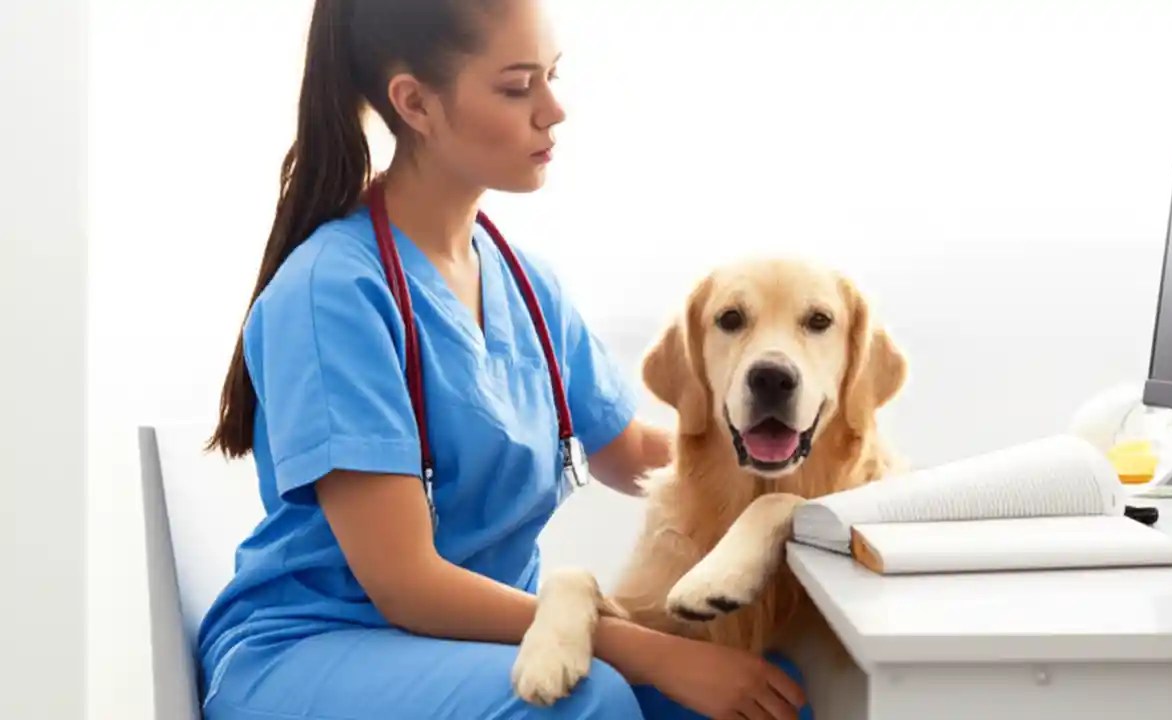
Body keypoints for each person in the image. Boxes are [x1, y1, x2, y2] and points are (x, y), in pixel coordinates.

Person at [198, 0, 812, 718]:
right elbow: (408, 585)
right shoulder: (332, 292)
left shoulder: (525, 283)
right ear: (415, 104)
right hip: (314, 649)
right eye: (518, 87)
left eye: (552, 77)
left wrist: (806, 460)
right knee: (590, 701)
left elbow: (636, 454)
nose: (554, 110)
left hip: (471, 646)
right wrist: (652, 649)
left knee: (775, 690)